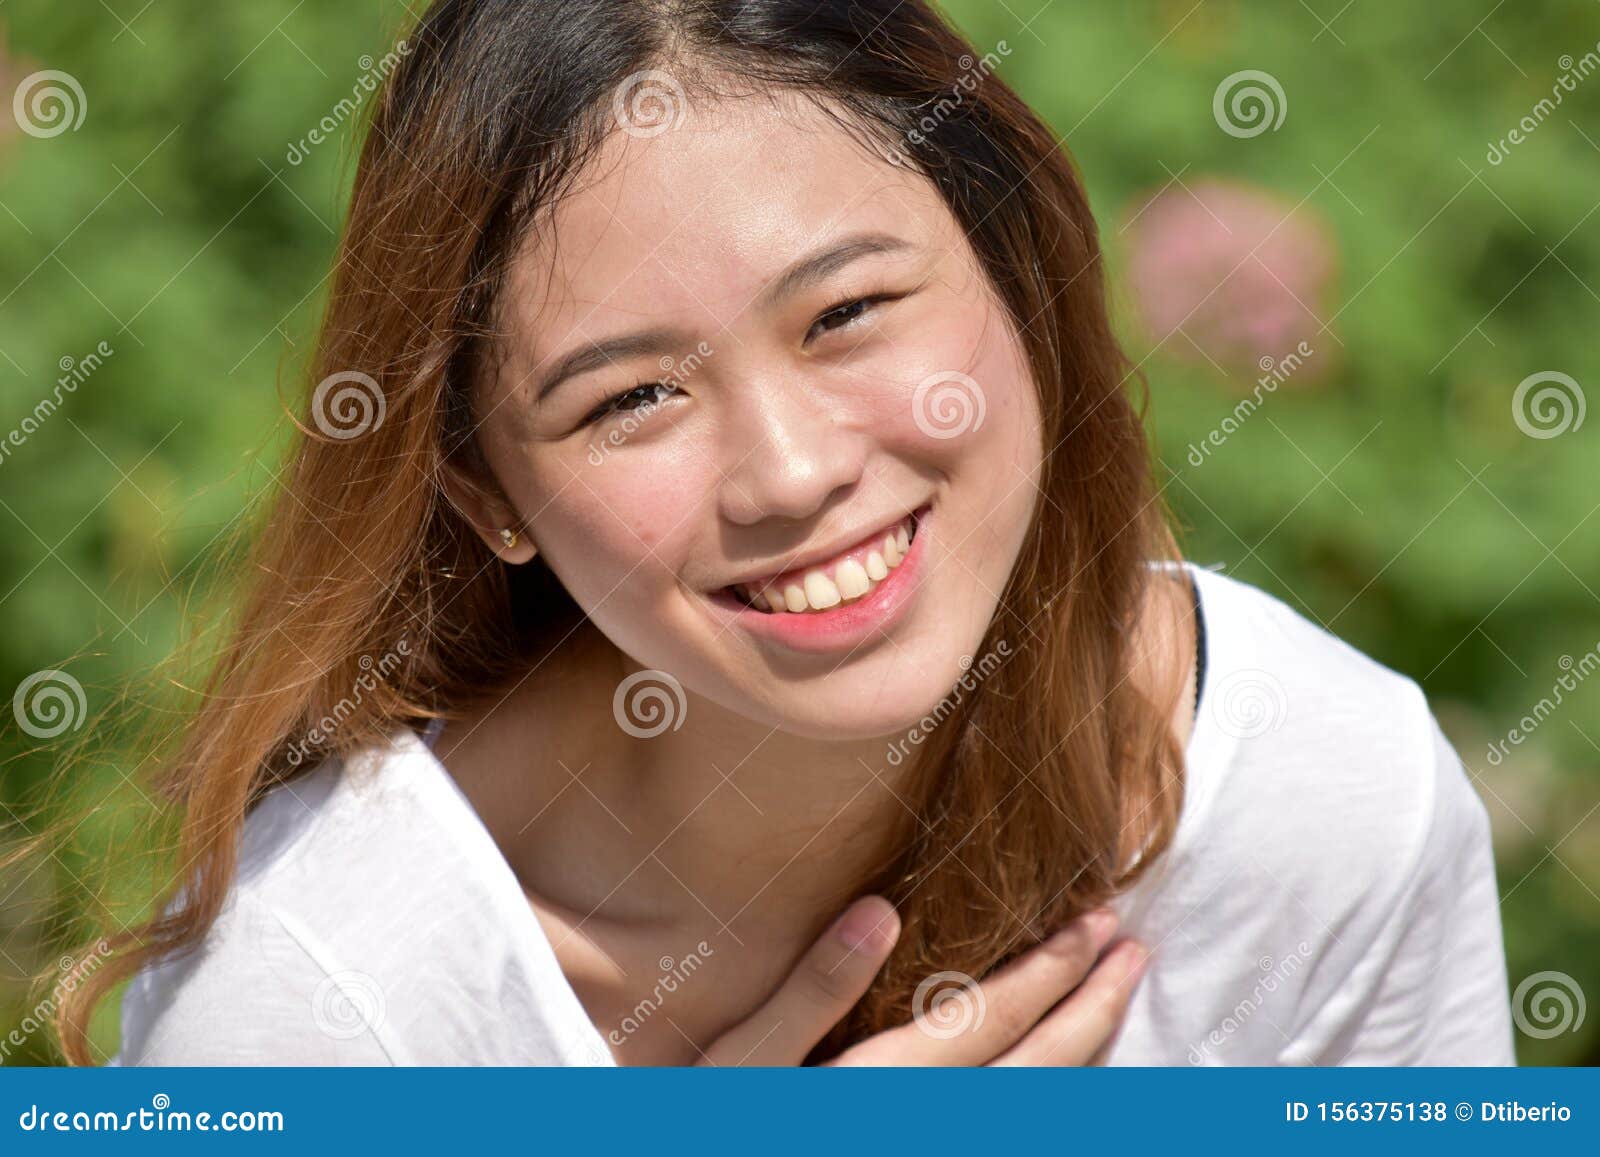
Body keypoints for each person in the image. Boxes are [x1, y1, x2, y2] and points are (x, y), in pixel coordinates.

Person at [67, 0, 1512, 1066]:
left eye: (848, 312)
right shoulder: (315, 1004)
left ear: (1016, 269)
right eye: (631, 396)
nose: (789, 471)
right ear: (483, 492)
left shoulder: (1329, 802)